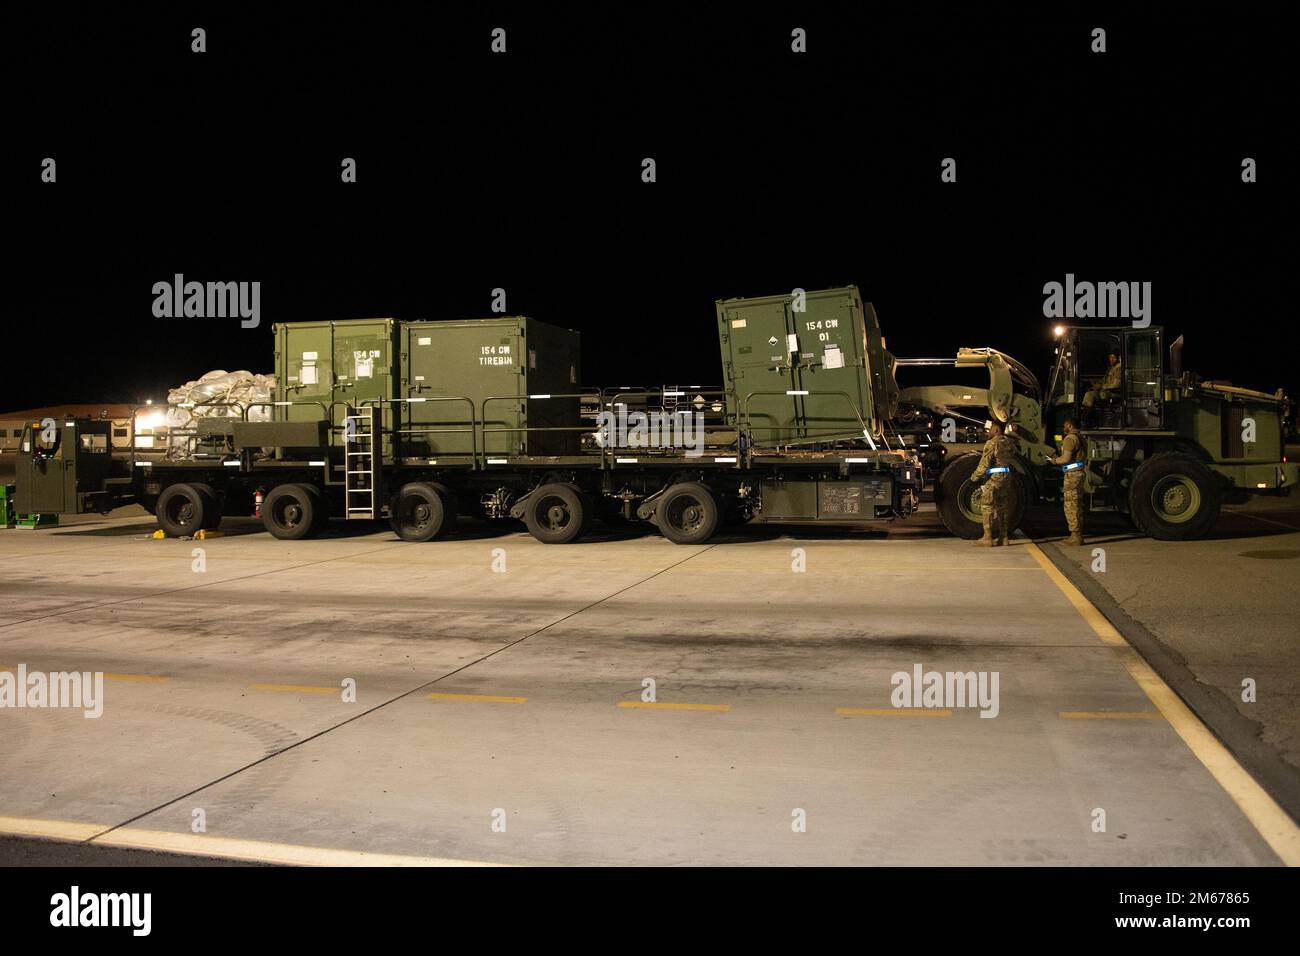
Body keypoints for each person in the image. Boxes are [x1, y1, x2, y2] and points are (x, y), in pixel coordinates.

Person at [969, 419, 1016, 546]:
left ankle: (987, 538)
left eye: (990, 429)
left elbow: (984, 464)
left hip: (995, 477)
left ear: (996, 430)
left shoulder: (992, 443)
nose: (988, 431)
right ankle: (1004, 537)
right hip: (1006, 476)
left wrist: (974, 477)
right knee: (1002, 507)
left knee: (987, 504)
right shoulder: (1009, 442)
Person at [1049, 417, 1086, 545]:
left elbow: (1065, 459)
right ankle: (1078, 534)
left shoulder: (1070, 439)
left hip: (1072, 475)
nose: (1064, 428)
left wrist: (1054, 460)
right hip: (1080, 473)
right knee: (1077, 504)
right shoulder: (1081, 437)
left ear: (1069, 426)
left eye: (1065, 426)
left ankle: (1075, 536)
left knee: (1071, 505)